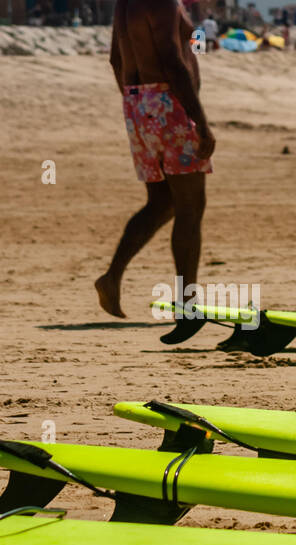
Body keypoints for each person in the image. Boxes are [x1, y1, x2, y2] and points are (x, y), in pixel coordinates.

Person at [97, 0, 215, 340]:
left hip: (138, 102)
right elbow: (171, 60)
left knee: (163, 202)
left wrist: (138, 107)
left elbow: (115, 59)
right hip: (168, 102)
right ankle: (188, 306)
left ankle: (111, 277)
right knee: (191, 208)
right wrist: (201, 122)